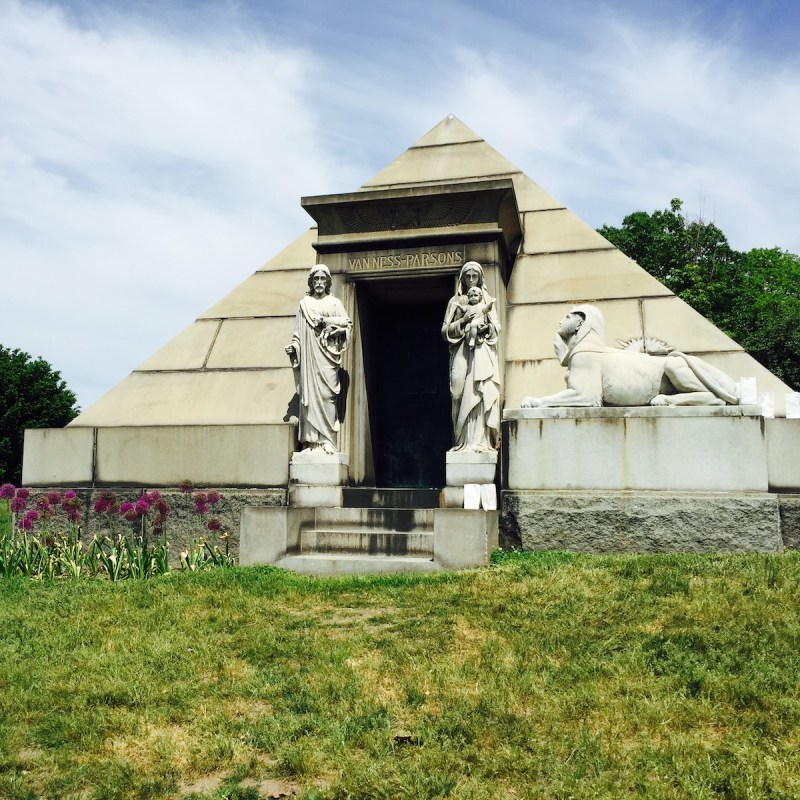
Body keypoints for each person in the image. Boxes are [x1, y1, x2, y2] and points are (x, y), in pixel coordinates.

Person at [285, 265, 352, 454]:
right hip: (308, 359)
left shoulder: (334, 303)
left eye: (323, 279)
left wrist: (328, 323)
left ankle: (327, 440)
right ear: (311, 282)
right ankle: (311, 443)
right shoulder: (304, 305)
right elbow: (298, 334)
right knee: (309, 398)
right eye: (316, 279)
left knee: (327, 397)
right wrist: (294, 348)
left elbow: (347, 323)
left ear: (328, 281)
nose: (320, 283)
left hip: (327, 358)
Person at [441, 261, 501, 452]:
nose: (472, 280)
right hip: (460, 350)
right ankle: (459, 441)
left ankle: (477, 442)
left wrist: (486, 328)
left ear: (481, 278)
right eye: (468, 276)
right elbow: (445, 330)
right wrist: (463, 321)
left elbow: (496, 328)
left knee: (478, 391)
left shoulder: (487, 301)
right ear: (463, 279)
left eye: (475, 276)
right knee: (457, 392)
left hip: (481, 351)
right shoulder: (456, 302)